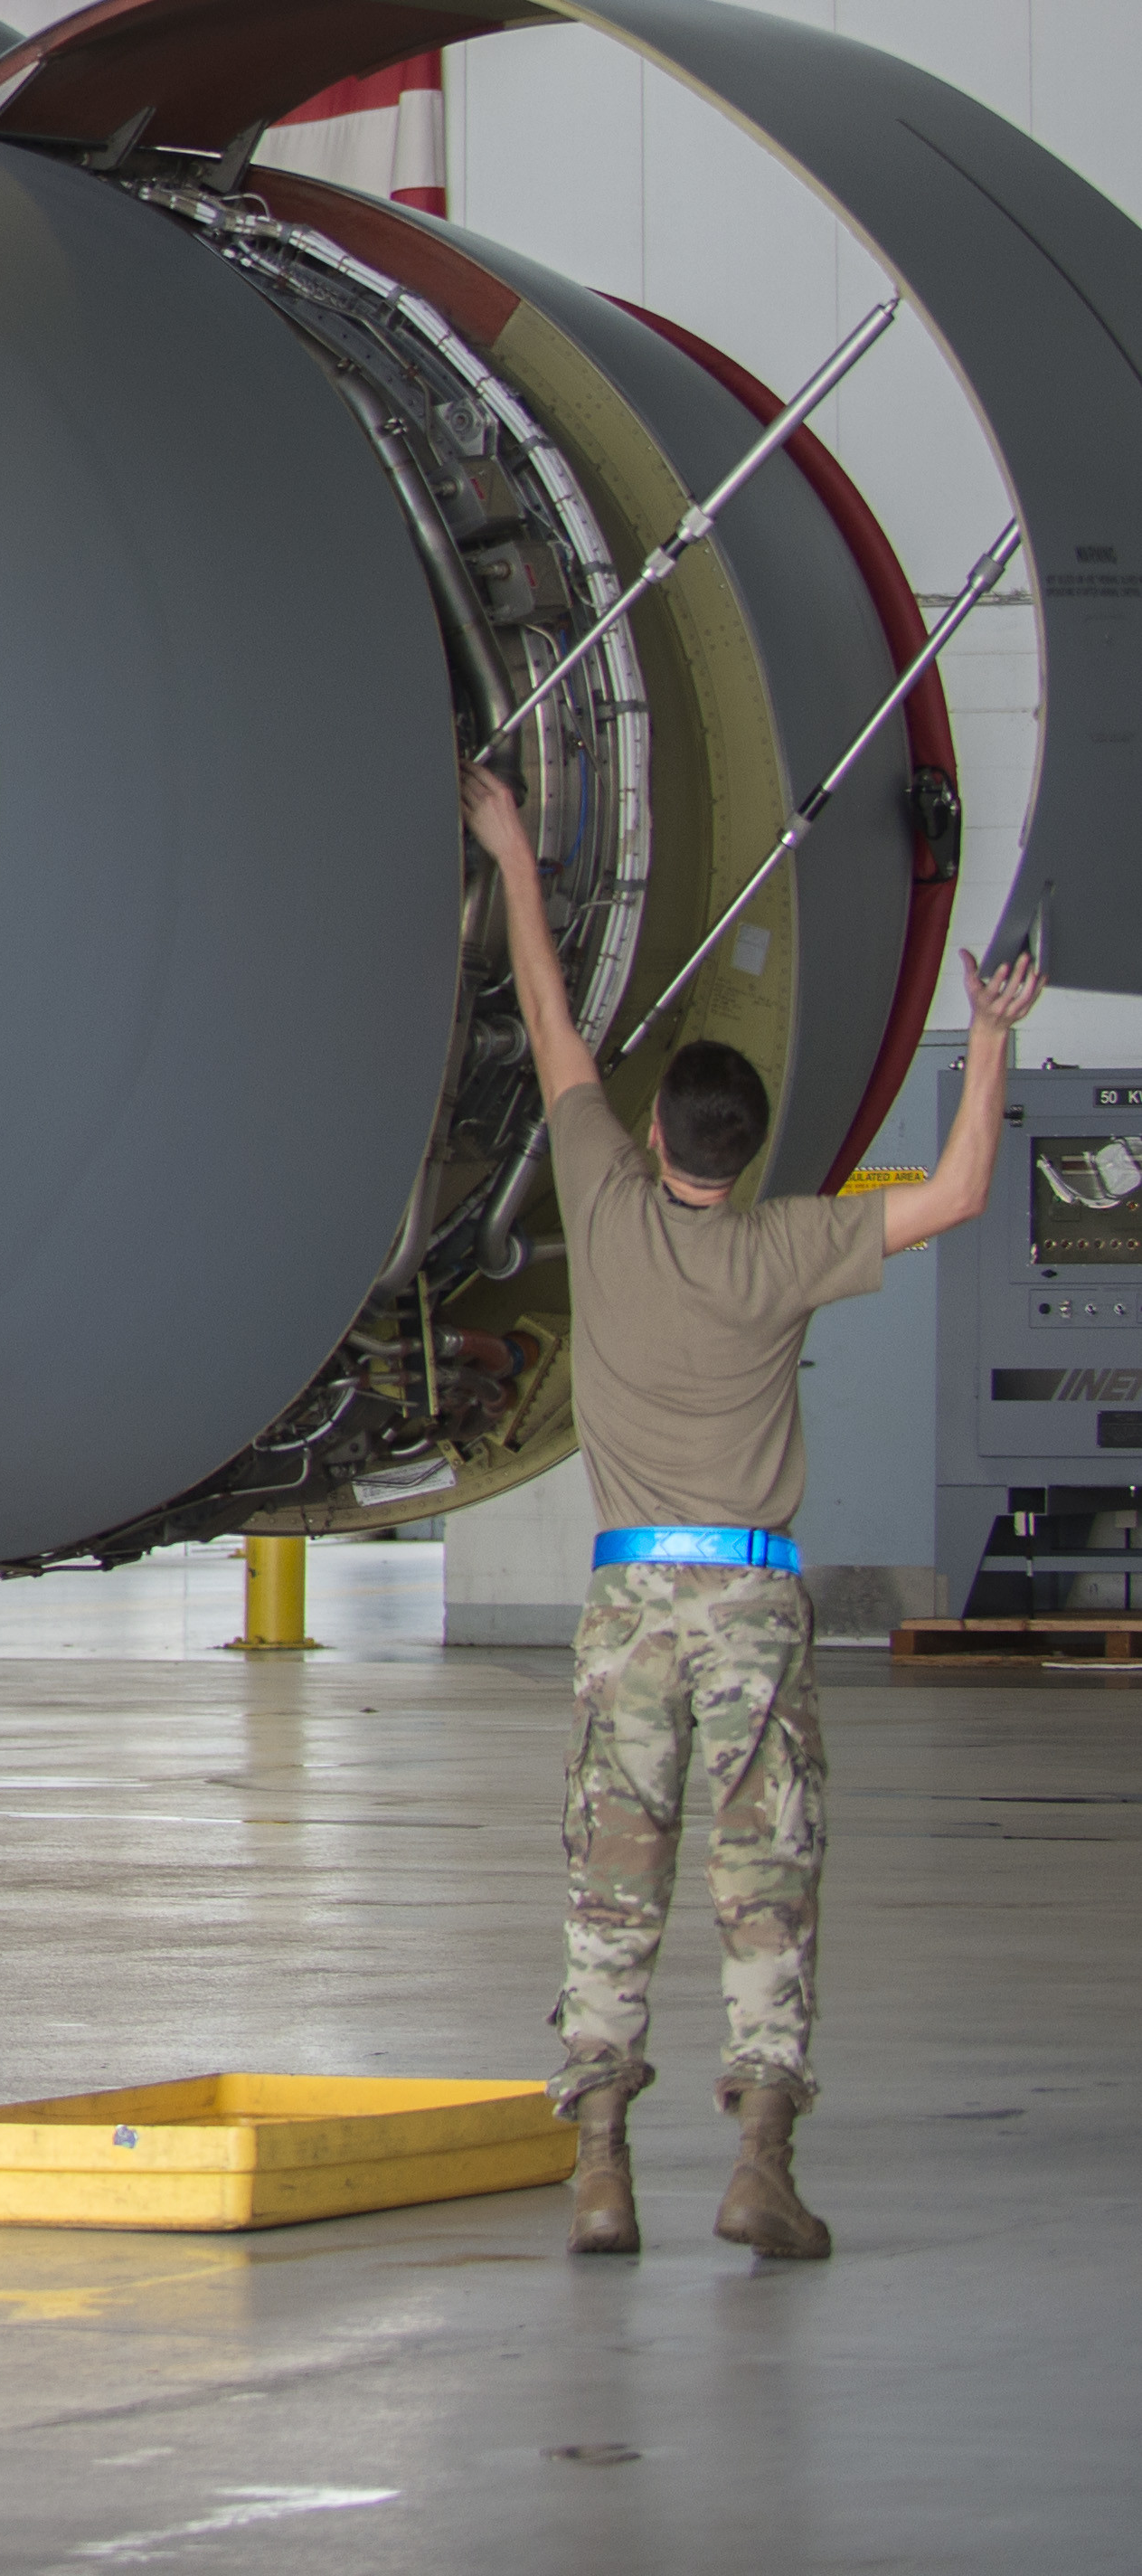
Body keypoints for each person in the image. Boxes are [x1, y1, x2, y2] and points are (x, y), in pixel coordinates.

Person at [464, 762, 1036, 2262]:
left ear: (657, 1140)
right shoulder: (790, 1246)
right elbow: (968, 1190)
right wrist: (990, 1041)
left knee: (615, 1874)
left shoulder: (598, 1195)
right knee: (766, 1877)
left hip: (626, 1604)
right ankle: (760, 2163)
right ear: (748, 1154)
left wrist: (515, 850)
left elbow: (550, 1022)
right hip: (758, 1605)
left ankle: (600, 2166)